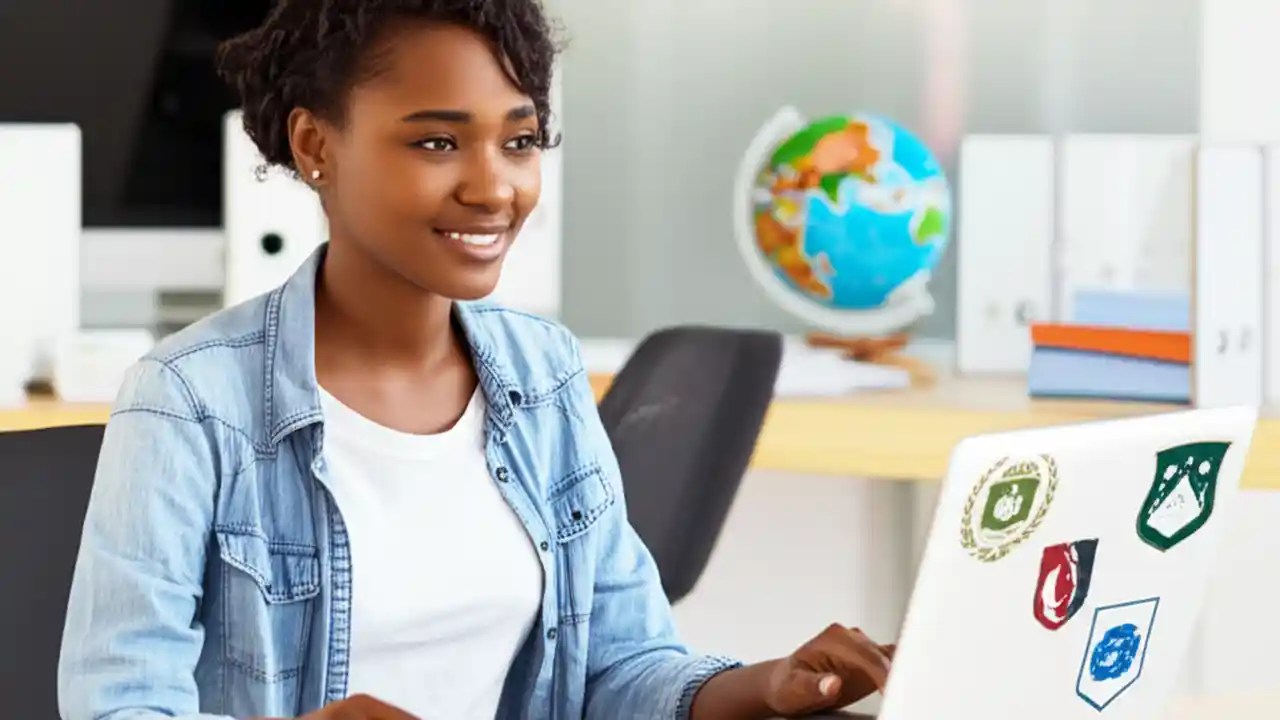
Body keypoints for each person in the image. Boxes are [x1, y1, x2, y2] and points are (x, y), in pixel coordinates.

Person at [56, 1, 895, 718]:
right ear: (316, 145)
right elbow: (118, 703)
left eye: (520, 141)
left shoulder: (544, 372)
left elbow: (622, 667)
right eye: (436, 143)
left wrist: (770, 685)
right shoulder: (189, 399)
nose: (494, 188)